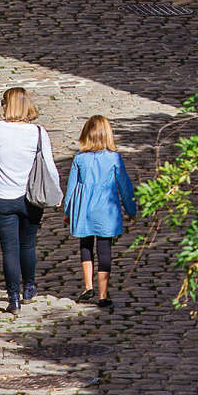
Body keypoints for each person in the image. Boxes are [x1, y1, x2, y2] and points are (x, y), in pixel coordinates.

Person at [0, 87, 57, 313]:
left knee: (9, 249)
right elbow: (49, 166)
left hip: (1, 198)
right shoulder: (38, 132)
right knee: (28, 245)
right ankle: (29, 288)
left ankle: (14, 299)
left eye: (2, 101)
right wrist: (56, 192)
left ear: (7, 105)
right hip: (31, 198)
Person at [63, 115, 137, 309]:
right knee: (105, 249)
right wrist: (131, 209)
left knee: (85, 245)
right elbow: (125, 186)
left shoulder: (79, 158)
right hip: (106, 210)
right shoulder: (114, 158)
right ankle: (103, 294)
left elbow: (71, 188)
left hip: (84, 210)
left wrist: (68, 211)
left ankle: (88, 286)